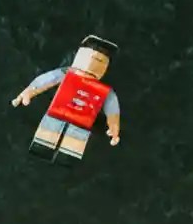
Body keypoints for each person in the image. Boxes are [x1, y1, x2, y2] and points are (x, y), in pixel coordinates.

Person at [11, 35, 120, 165]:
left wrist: (114, 125)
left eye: (100, 61)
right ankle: (41, 152)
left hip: (81, 123)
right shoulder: (66, 73)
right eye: (91, 57)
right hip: (56, 115)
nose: (93, 62)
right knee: (44, 141)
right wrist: (29, 91)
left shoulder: (103, 90)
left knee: (71, 149)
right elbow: (47, 79)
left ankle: (65, 160)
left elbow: (112, 107)